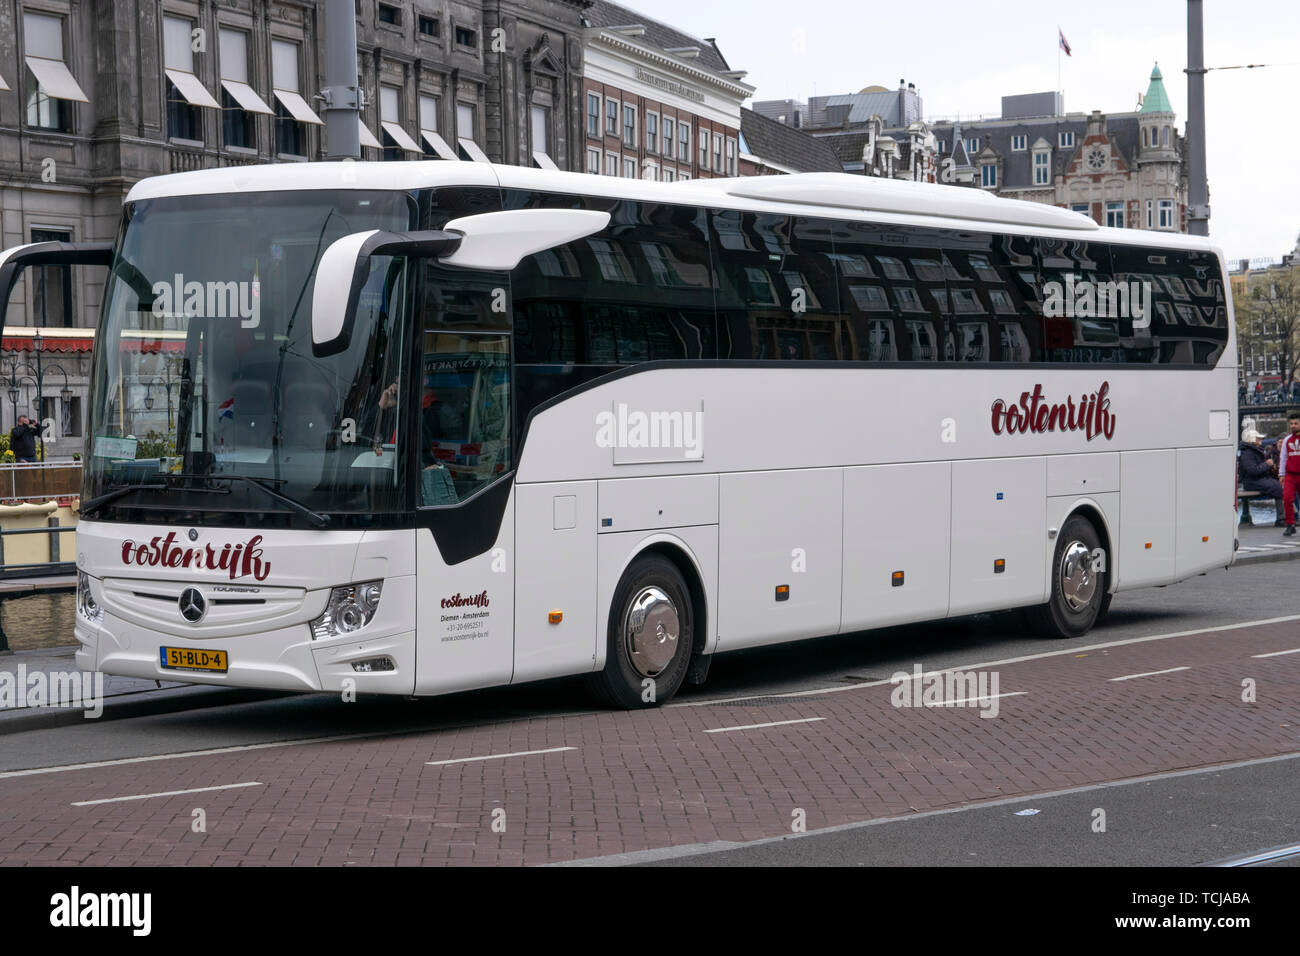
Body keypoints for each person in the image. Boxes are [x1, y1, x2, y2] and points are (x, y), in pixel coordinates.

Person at [1239, 426, 1285, 526]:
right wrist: (1267, 464)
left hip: (1256, 480)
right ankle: (1281, 519)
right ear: (1252, 440)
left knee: (1279, 486)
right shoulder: (1248, 453)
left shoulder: (1252, 450)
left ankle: (1283, 518)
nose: (1261, 439)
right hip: (1252, 482)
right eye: (1258, 438)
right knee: (1277, 487)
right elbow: (1252, 471)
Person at [1281, 412, 1300, 536]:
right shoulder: (1287, 440)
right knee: (1287, 498)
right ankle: (1290, 524)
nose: (1293, 426)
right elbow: (1283, 457)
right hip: (1290, 475)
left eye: (1296, 423)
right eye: (1291, 423)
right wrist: (1281, 474)